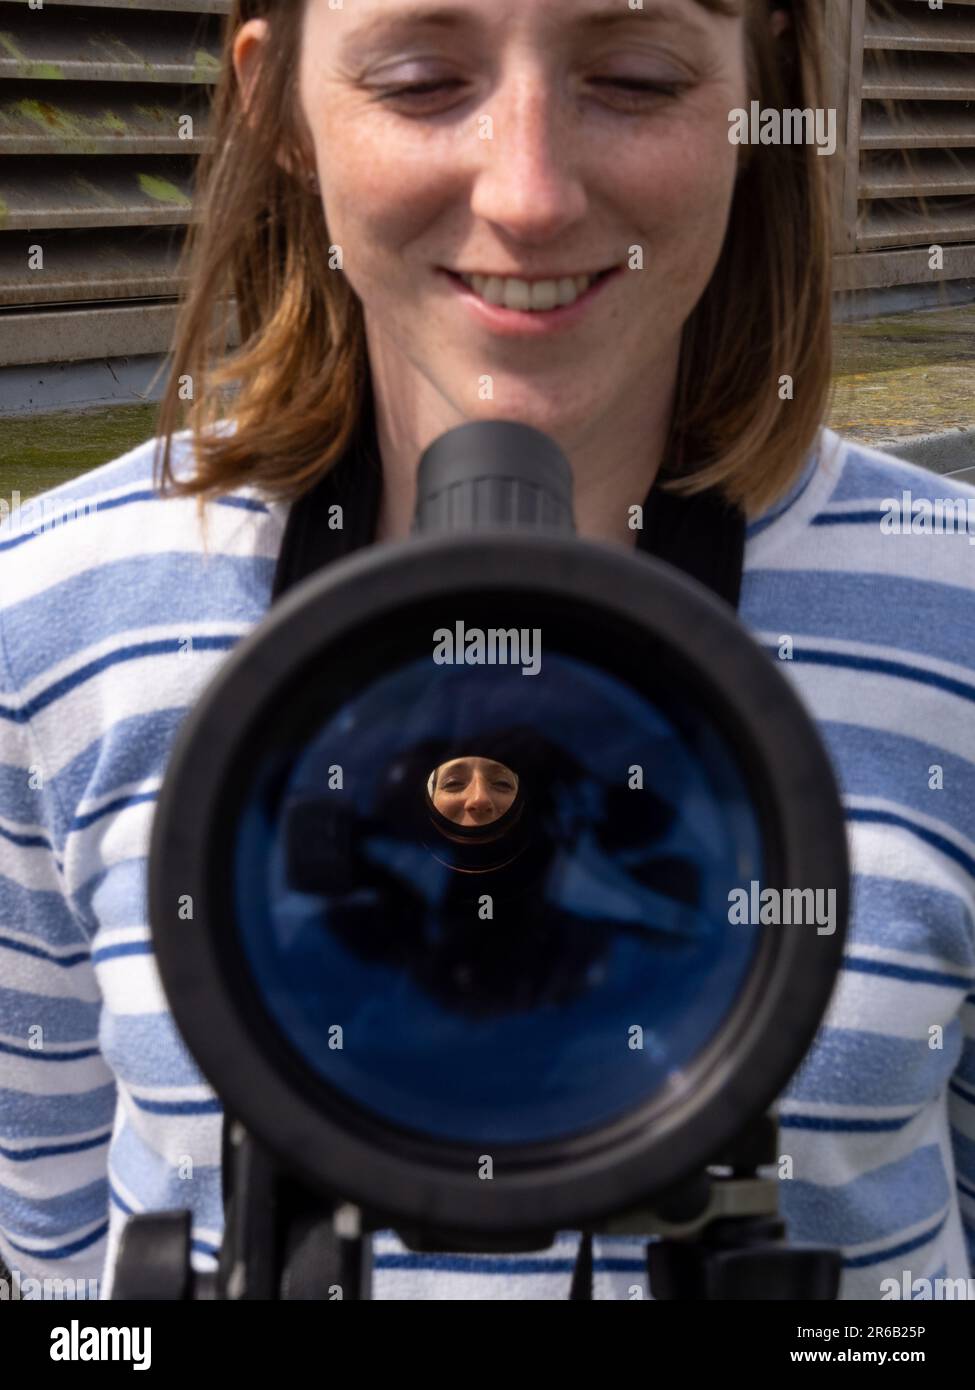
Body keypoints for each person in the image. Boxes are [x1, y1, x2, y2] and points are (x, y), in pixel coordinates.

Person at [1, 0, 973, 1301]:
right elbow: (59, 1255)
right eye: (419, 79)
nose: (528, 195)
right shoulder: (50, 615)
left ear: (764, 92)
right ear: (278, 105)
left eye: (632, 76)